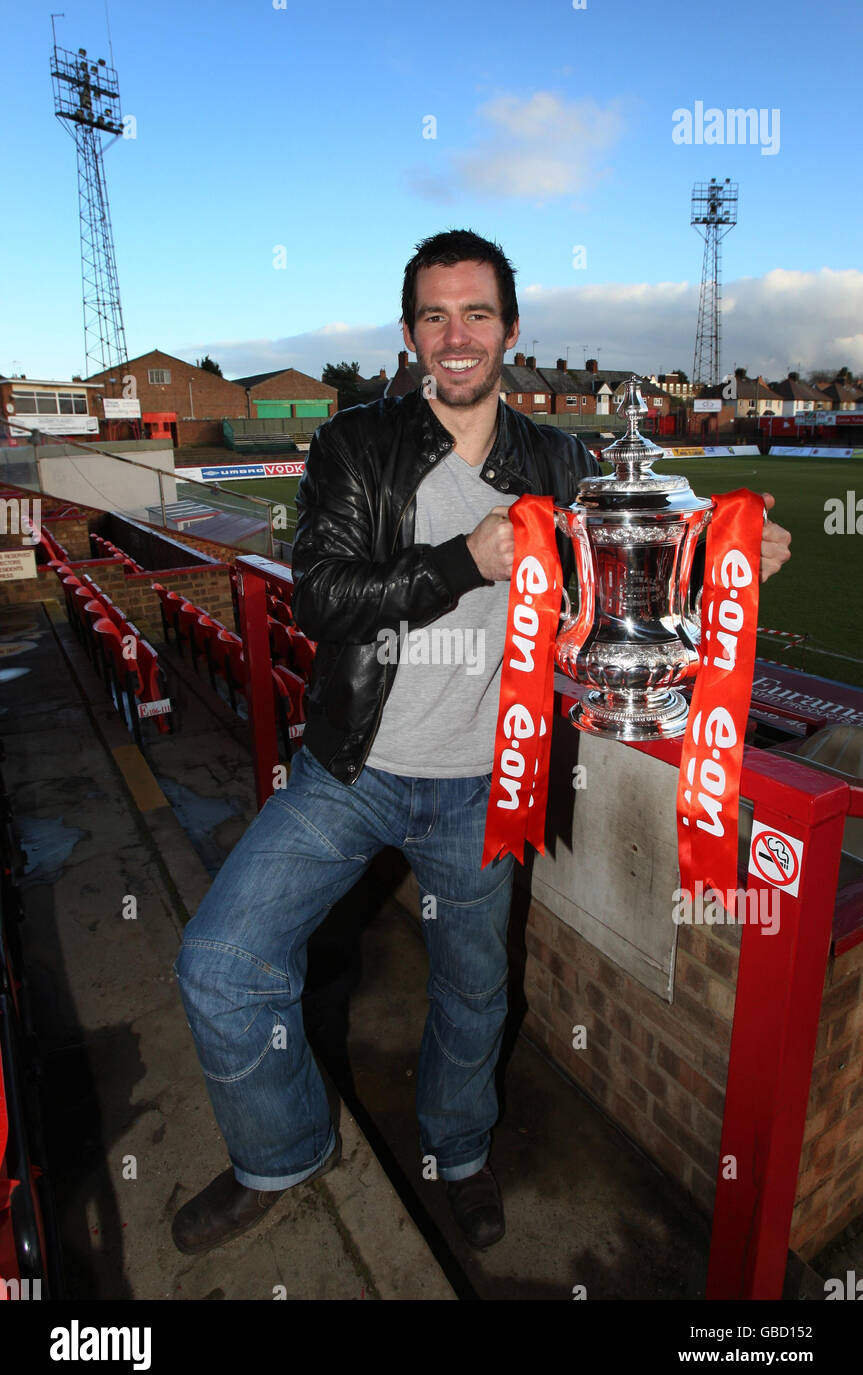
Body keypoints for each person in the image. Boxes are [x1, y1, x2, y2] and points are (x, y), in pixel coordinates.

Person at [171, 229, 792, 1258]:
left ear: (510, 327)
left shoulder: (560, 459)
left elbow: (616, 598)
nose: (454, 337)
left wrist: (723, 559)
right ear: (408, 331)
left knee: (472, 989)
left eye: (475, 314)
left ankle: (457, 1155)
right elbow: (322, 598)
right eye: (433, 315)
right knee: (220, 961)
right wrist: (462, 557)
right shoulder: (353, 444)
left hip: (485, 783)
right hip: (350, 769)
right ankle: (280, 1151)